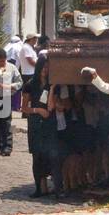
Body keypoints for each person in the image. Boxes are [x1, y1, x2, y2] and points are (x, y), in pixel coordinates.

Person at [25, 50, 63, 197]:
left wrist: (52, 89)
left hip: (49, 124)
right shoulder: (30, 85)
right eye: (43, 67)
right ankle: (39, 188)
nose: (45, 70)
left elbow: (50, 107)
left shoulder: (53, 85)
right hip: (35, 123)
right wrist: (37, 110)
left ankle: (58, 189)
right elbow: (24, 107)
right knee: (37, 157)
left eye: (48, 68)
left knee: (54, 156)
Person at [0, 47, 23, 155]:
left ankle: (7, 146)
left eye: (3, 61)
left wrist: (8, 86)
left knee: (6, 123)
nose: (1, 63)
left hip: (7, 98)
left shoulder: (12, 68)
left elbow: (19, 82)